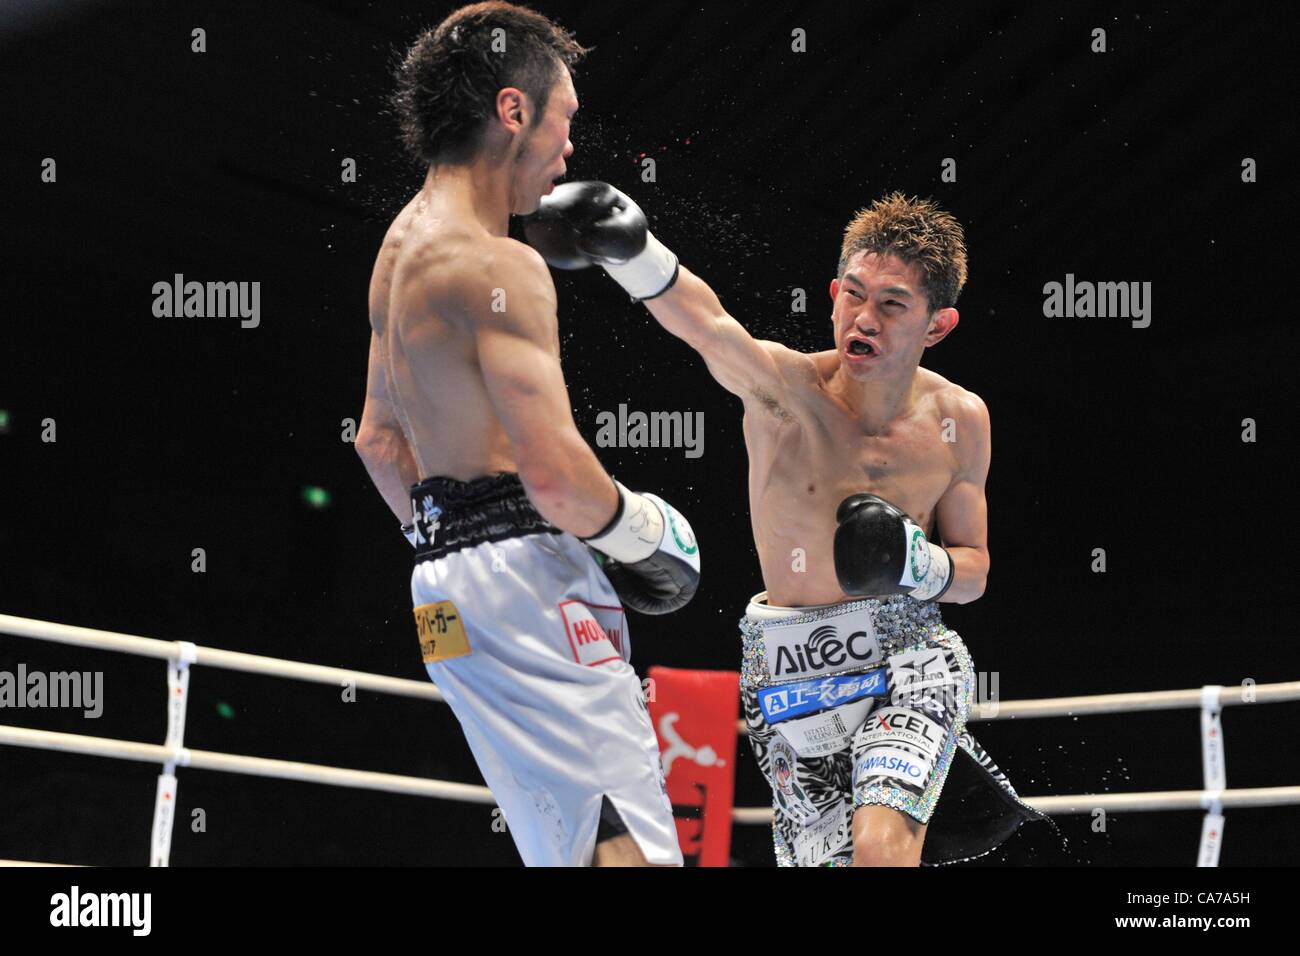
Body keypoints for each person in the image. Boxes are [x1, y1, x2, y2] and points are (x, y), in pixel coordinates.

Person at [524, 183, 1049, 866]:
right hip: (787, 673)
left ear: (937, 325)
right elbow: (706, 324)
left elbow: (973, 570)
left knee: (881, 851)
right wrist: (633, 253)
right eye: (854, 294)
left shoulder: (961, 421)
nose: (866, 317)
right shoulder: (782, 391)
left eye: (893, 305)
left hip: (907, 661)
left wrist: (918, 564)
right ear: (832, 293)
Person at [355, 4, 699, 867]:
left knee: (573, 845)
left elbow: (377, 442)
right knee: (631, 847)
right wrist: (643, 531)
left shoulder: (398, 249)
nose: (570, 147)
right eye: (565, 119)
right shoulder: (500, 263)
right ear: (514, 111)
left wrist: (459, 544)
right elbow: (553, 479)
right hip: (526, 580)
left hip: (442, 594)